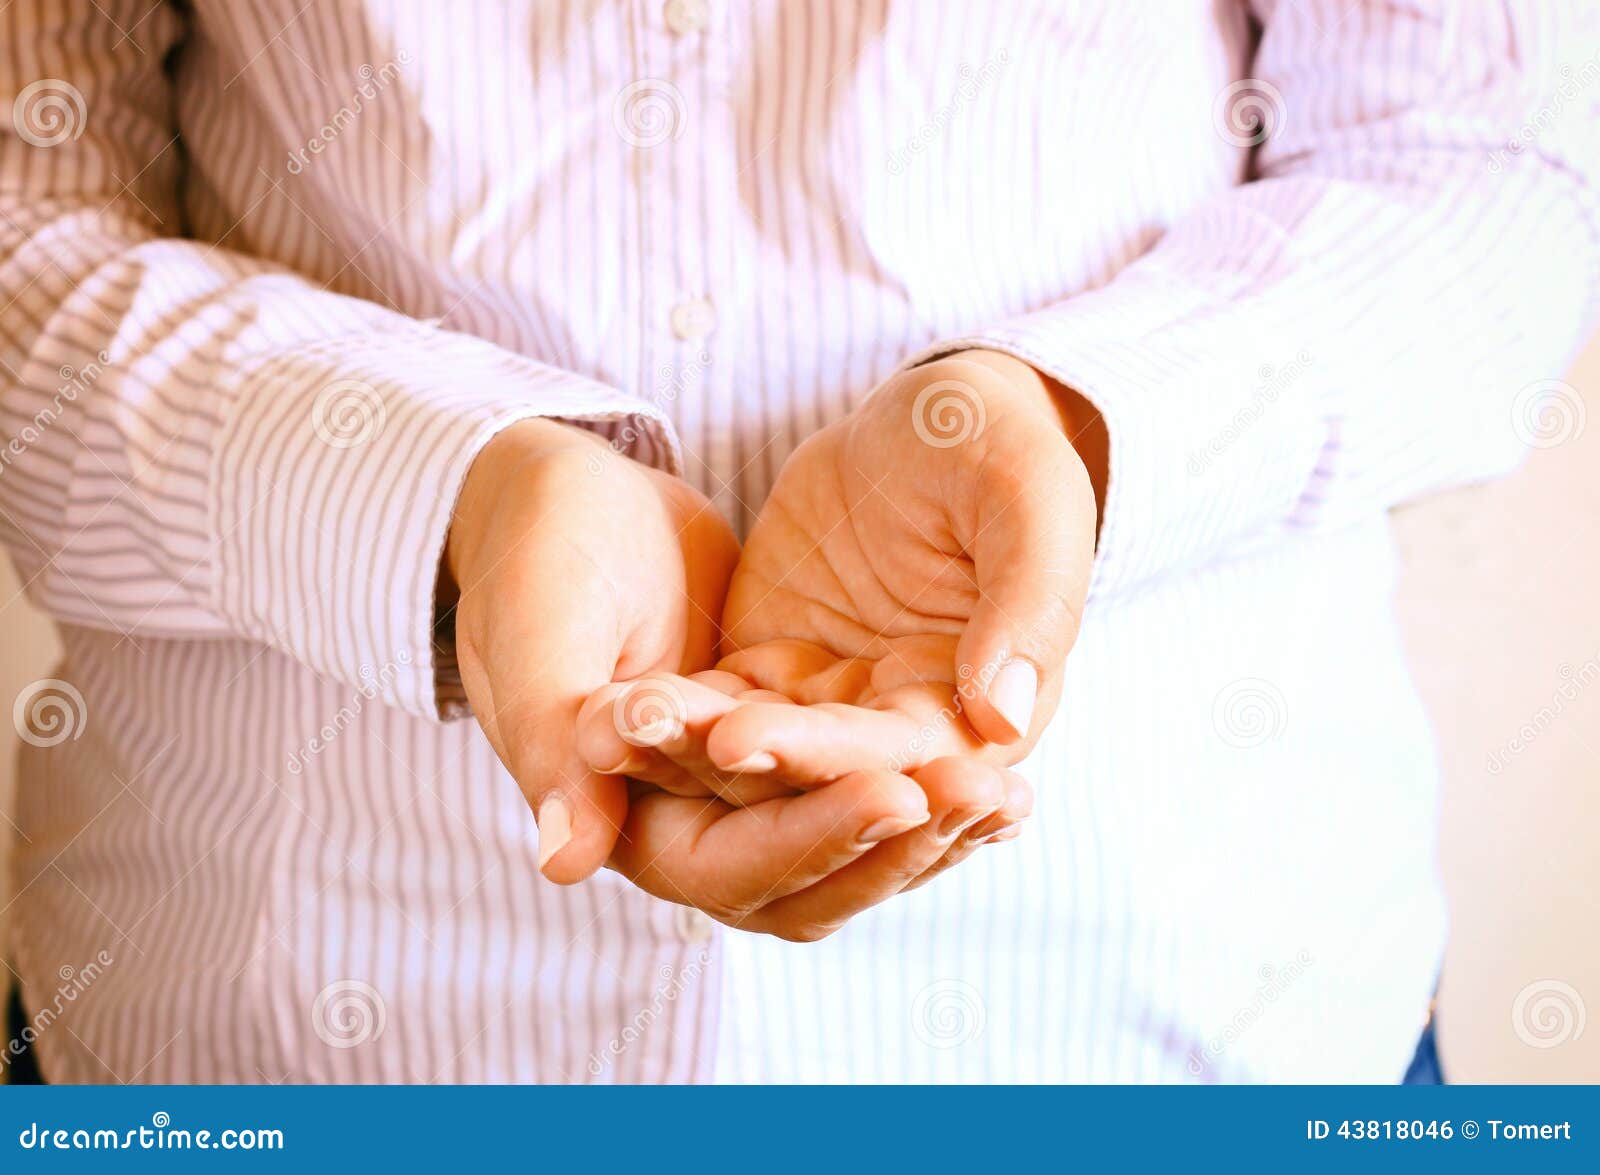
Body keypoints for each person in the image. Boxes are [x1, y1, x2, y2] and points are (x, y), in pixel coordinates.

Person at [1, 0, 1595, 1083]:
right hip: (267, 1042)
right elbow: (28, 223)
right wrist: (453, 484)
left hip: (1195, 1033)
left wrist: (1079, 427)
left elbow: (1486, 164)